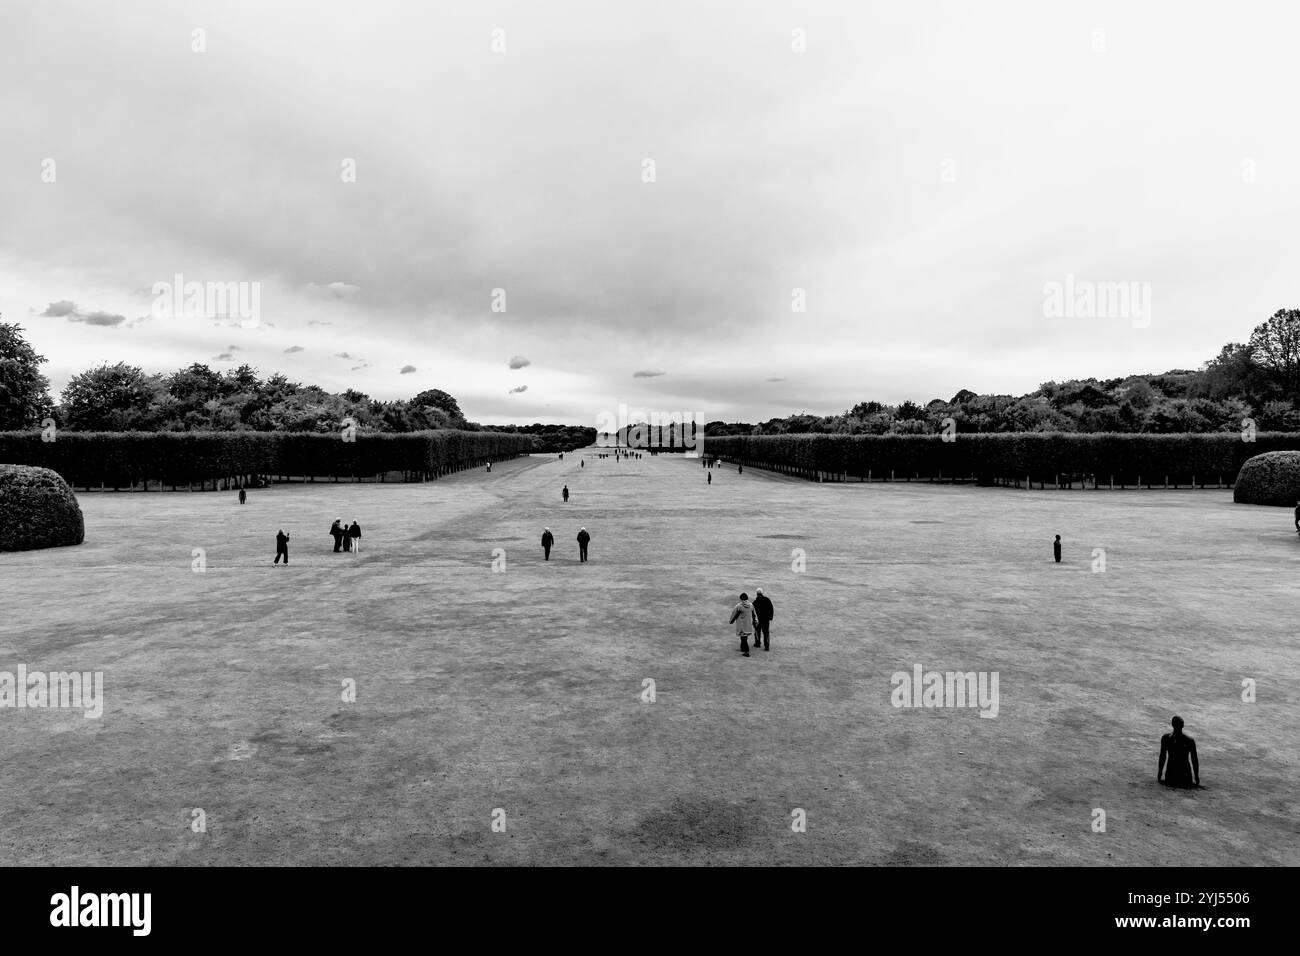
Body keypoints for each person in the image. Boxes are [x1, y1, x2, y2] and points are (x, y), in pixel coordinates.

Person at [1158, 716, 1200, 788]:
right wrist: (1196, 776)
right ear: (1183, 725)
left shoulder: (1166, 738)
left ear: (1172, 724)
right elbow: (1194, 760)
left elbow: (1162, 757)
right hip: (1185, 774)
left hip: (1171, 773)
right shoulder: (1189, 740)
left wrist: (1160, 772)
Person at [729, 592, 758, 657]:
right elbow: (754, 614)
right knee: (745, 637)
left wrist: (731, 621)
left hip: (742, 625)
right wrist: (755, 621)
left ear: (741, 598)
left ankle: (746, 651)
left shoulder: (739, 606)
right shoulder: (751, 605)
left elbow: (734, 613)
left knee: (743, 638)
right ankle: (742, 648)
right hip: (748, 625)